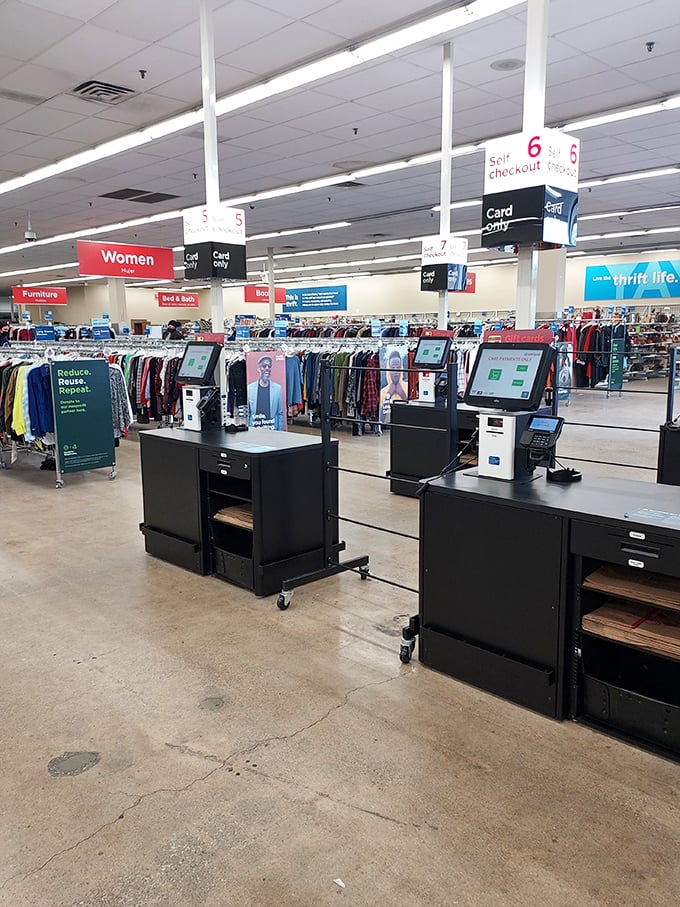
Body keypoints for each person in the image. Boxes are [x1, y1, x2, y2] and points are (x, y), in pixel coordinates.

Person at [247, 354, 284, 431]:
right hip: (255, 431)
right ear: (258, 369)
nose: (267, 368)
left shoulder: (277, 388)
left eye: (269, 366)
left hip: (272, 431)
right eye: (264, 366)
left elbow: (280, 413)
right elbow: (248, 413)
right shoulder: (250, 388)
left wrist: (281, 433)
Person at [380, 349, 408, 421]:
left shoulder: (407, 386)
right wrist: (389, 394)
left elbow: (412, 412)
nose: (396, 371)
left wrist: (402, 393)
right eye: (393, 368)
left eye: (398, 368)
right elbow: (381, 418)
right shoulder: (383, 392)